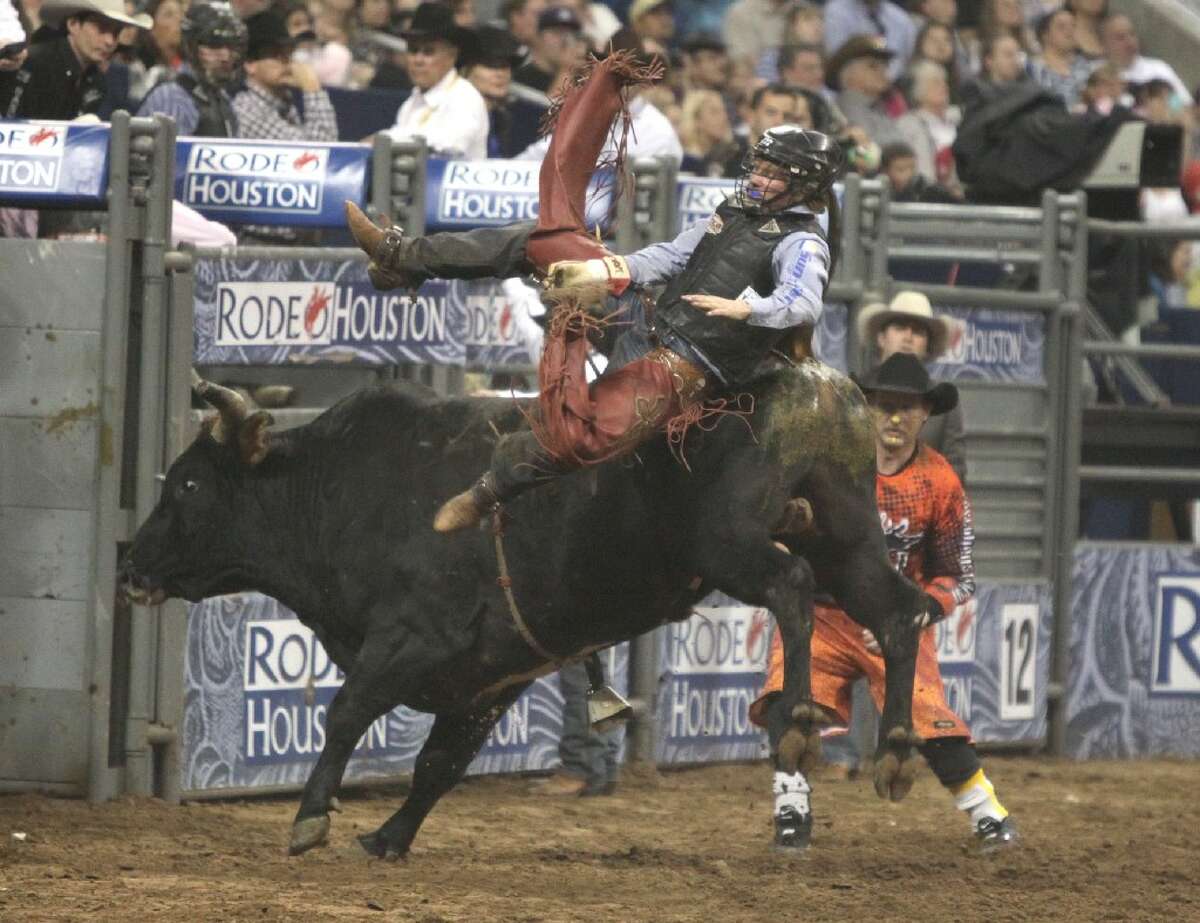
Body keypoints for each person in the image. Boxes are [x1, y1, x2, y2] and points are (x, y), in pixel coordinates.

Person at [346, 51, 844, 533]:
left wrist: (746, 307)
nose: (757, 177)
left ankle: (487, 493)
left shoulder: (801, 241)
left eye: (773, 173)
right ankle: (403, 258)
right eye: (759, 166)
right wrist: (610, 270)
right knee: (544, 241)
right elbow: (671, 256)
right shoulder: (734, 213)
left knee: (581, 440)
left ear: (803, 186)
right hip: (647, 316)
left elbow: (802, 302)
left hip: (685, 367)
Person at [751, 352, 1017, 854]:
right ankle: (792, 812)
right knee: (788, 699)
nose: (895, 418)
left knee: (926, 716)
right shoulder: (825, 468)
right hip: (824, 615)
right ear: (866, 409)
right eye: (885, 406)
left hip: (896, 622)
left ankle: (988, 814)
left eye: (907, 408)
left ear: (925, 415)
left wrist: (917, 612)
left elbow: (956, 577)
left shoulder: (939, 482)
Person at [1, 0, 149, 119]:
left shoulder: (97, 81)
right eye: (102, 29)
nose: (110, 41)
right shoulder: (33, 63)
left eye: (116, 33)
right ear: (73, 24)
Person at [384, 2, 487, 159]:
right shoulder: (410, 103)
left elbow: (449, 146)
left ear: (452, 56)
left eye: (428, 52)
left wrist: (385, 139)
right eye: (413, 50)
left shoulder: (465, 97)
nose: (418, 60)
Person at [137, 1, 246, 137]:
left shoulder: (222, 99)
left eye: (232, 47)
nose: (225, 56)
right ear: (190, 47)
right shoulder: (174, 97)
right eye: (214, 45)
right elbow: (165, 156)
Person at [466, 24, 544, 158]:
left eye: (505, 66)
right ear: (465, 70)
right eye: (490, 66)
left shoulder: (509, 118)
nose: (500, 74)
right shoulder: (454, 115)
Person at [826, 35, 906, 149]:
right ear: (848, 73)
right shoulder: (847, 110)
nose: (883, 72)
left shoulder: (878, 107)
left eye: (886, 65)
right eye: (872, 66)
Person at [1100, 12, 1188, 102]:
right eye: (1120, 37)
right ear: (1104, 44)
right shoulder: (1096, 73)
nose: (1129, 42)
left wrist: (1170, 107)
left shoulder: (1159, 70)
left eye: (1132, 34)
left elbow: (1181, 104)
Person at [823, 0, 917, 81]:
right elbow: (837, 60)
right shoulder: (836, 11)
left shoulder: (901, 19)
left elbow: (910, 61)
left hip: (893, 89)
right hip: (849, 88)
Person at [1028, 7, 1095, 108]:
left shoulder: (1087, 66)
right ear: (1045, 35)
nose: (1070, 31)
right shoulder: (1031, 69)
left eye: (1073, 26)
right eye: (1061, 27)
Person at [513, 5, 584, 95]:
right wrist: (566, 70)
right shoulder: (522, 78)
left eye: (571, 34)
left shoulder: (579, 77)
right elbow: (549, 108)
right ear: (539, 37)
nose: (565, 40)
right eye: (557, 32)